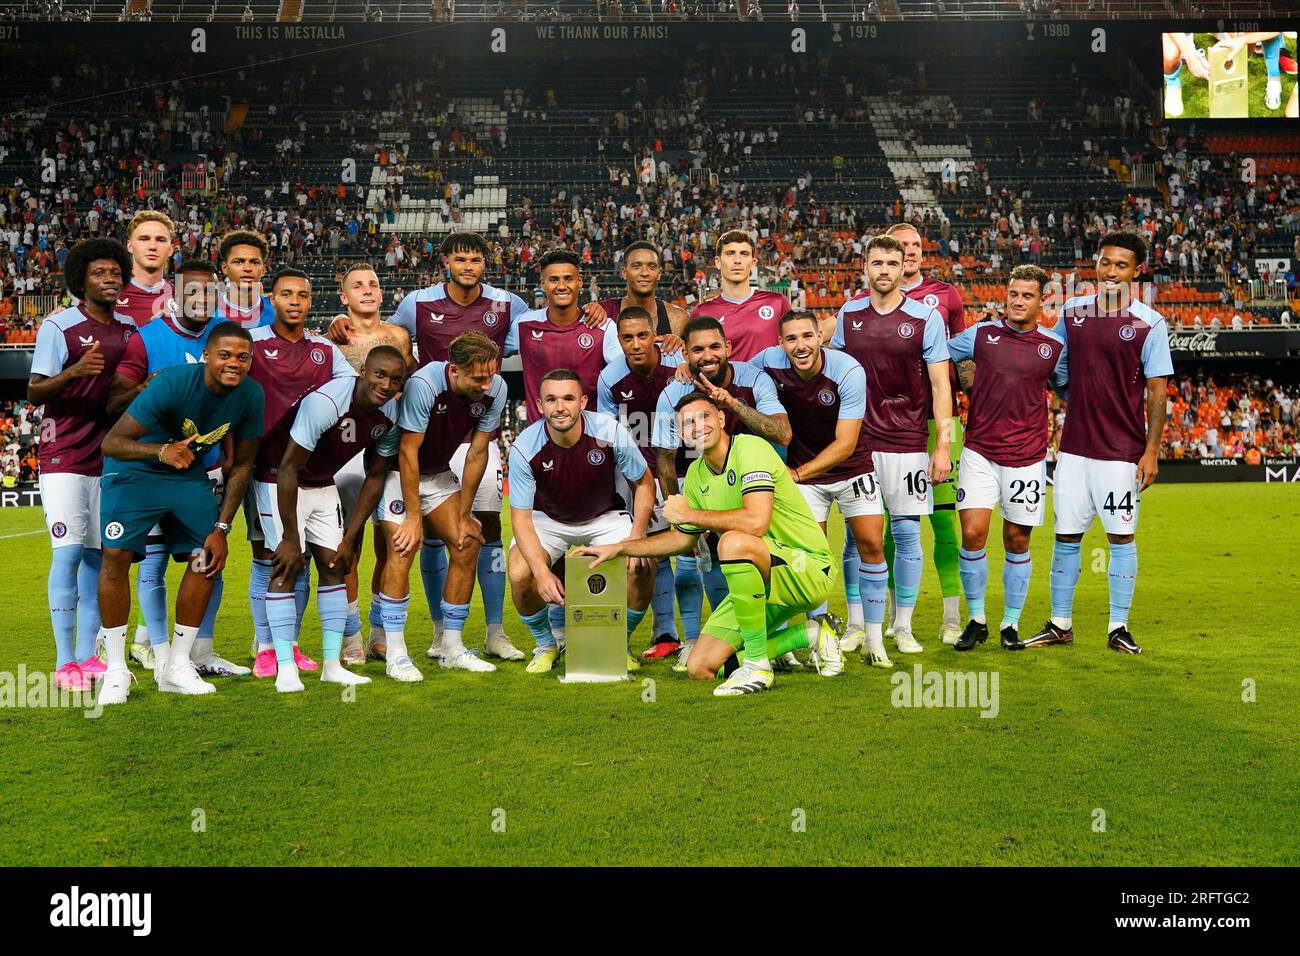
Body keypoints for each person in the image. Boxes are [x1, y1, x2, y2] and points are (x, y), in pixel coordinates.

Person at [577, 392, 843, 696]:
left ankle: (757, 666)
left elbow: (757, 522)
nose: (697, 426)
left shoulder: (750, 448)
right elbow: (680, 540)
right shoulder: (695, 475)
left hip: (807, 568)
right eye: (687, 423)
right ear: (681, 434)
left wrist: (690, 513)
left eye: (704, 416)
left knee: (730, 543)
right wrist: (621, 547)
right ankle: (810, 634)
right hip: (760, 576)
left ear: (720, 418)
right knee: (700, 666)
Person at [93, 322, 264, 705]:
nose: (233, 363)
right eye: (224, 355)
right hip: (136, 469)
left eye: (242, 357)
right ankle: (117, 670)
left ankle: (177, 666)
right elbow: (112, 442)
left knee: (206, 557)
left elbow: (242, 466)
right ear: (207, 355)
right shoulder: (172, 382)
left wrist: (222, 526)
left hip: (187, 475)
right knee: (116, 556)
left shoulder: (251, 396)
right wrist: (160, 451)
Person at [1027, 233, 1172, 654]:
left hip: (1122, 453)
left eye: (1121, 265)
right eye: (1105, 263)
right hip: (1073, 449)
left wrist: (1150, 451)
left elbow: (1158, 392)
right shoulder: (1072, 312)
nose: (1111, 272)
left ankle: (1118, 628)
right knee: (1066, 536)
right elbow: (1058, 369)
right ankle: (1059, 624)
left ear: (1138, 270)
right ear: (1096, 263)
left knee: (1121, 537)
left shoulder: (1150, 323)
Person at [106, 259, 245, 675]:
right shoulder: (146, 340)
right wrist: (146, 386)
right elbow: (114, 404)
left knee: (209, 560)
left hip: (207, 470)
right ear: (173, 294)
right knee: (153, 561)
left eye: (209, 292)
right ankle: (158, 648)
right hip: (154, 467)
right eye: (192, 292)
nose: (202, 300)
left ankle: (201, 651)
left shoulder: (226, 334)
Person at [832, 234, 953, 656]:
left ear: (905, 267)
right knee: (857, 537)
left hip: (906, 442)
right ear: (864, 267)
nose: (883, 270)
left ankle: (902, 626)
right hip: (858, 442)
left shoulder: (925, 318)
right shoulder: (848, 314)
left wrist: (942, 445)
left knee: (905, 533)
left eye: (891, 263)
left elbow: (941, 385)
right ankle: (856, 624)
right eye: (876, 263)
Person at [260, 347, 406, 692]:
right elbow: (287, 467)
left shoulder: (392, 414)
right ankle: (285, 669)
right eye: (379, 374)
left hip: (322, 481)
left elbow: (375, 477)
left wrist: (350, 539)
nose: (385, 384)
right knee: (287, 566)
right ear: (363, 371)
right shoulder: (327, 402)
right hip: (278, 478)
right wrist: (291, 537)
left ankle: (331, 665)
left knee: (336, 566)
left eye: (395, 379)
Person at [28, 238, 137, 691]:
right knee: (69, 554)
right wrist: (75, 371)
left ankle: (88, 656)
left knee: (100, 557)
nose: (110, 278)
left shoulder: (130, 329)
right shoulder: (61, 326)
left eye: (115, 272)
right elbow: (34, 392)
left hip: (107, 455)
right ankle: (63, 662)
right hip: (64, 456)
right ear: (81, 280)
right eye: (99, 273)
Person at [652, 316, 791, 671]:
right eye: (697, 349)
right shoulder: (671, 393)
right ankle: (701, 638)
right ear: (685, 353)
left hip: (756, 485)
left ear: (728, 347)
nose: (707, 355)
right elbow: (665, 459)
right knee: (703, 559)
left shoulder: (754, 379)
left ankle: (777, 638)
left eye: (715, 346)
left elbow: (781, 433)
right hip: (703, 482)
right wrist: (678, 511)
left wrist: (729, 403)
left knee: (767, 559)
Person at [748, 312, 885, 666]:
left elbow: (846, 443)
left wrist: (797, 473)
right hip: (805, 477)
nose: (800, 345)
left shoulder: (848, 371)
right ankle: (816, 639)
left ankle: (874, 640)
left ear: (820, 336)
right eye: (791, 339)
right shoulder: (767, 363)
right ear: (780, 343)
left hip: (850, 467)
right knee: (809, 557)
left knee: (872, 543)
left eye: (807, 336)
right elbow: (733, 374)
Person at [374, 331, 512, 679]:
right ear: (454, 370)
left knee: (467, 543)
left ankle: (451, 646)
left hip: (436, 474)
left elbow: (477, 452)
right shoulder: (424, 384)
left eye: (491, 374)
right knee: (402, 548)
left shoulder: (495, 388)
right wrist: (414, 517)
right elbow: (407, 452)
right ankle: (396, 653)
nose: (486, 383)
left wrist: (464, 515)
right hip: (394, 472)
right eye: (478, 377)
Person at [945, 265, 1068, 651]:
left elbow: (1069, 388)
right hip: (979, 451)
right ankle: (977, 619)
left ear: (1041, 301)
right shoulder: (981, 335)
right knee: (972, 534)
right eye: (1013, 294)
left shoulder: (1053, 347)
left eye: (1027, 296)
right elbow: (938, 356)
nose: (1018, 301)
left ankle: (1010, 624)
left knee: (1017, 541)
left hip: (1027, 457)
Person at [508, 370, 657, 674]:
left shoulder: (609, 431)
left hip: (603, 516)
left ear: (583, 402)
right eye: (551, 399)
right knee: (520, 573)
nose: (559, 407)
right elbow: (520, 519)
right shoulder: (525, 446)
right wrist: (541, 573)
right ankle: (547, 646)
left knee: (641, 564)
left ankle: (619, 643)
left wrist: (637, 538)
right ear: (539, 404)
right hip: (547, 518)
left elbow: (643, 482)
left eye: (568, 398)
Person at [247, 269, 355, 678]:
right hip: (265, 470)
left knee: (308, 560)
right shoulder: (253, 344)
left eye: (303, 295)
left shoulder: (325, 350)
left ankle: (289, 644)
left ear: (311, 302)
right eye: (286, 294)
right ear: (271, 299)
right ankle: (267, 648)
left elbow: (350, 387)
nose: (295, 301)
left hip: (310, 474)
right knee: (271, 559)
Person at [884, 222, 968, 645]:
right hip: (886, 426)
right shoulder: (867, 301)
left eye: (915, 245)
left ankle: (951, 618)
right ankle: (896, 618)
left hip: (938, 423)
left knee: (943, 524)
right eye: (902, 246)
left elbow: (965, 360)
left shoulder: (946, 297)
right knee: (886, 529)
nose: (910, 251)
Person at [327, 262, 415, 665]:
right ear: (343, 297)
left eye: (374, 285)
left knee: (388, 544)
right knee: (349, 544)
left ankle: (380, 632)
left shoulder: (398, 336)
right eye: (358, 286)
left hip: (388, 449)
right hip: (343, 453)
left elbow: (407, 388)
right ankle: (351, 636)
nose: (367, 290)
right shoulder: (334, 339)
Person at [597, 305, 685, 660]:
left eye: (642, 336)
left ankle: (697, 634)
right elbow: (610, 437)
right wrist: (638, 487)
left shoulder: (676, 364)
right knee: (654, 552)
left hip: (683, 468)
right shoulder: (610, 378)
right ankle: (666, 631)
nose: (635, 344)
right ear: (619, 341)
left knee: (697, 551)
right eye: (627, 338)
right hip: (638, 475)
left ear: (656, 336)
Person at [688, 230, 794, 362]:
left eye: (744, 254)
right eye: (730, 253)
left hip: (770, 383)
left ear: (753, 263)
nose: (737, 260)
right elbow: (691, 357)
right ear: (718, 262)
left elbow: (800, 341)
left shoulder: (777, 303)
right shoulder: (702, 312)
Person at [596, 240, 690, 338]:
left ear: (659, 273)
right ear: (624, 272)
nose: (645, 273)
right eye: (636, 266)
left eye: (651, 267)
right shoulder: (603, 314)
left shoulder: (678, 319)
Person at [115, 210, 177, 329]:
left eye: (160, 240)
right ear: (130, 246)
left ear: (170, 249)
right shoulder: (108, 295)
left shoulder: (182, 299)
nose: (152, 247)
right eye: (144, 239)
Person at [213, 230, 276, 328]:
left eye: (254, 262)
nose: (247, 268)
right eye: (238, 262)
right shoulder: (208, 311)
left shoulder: (278, 313)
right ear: (224, 268)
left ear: (263, 270)